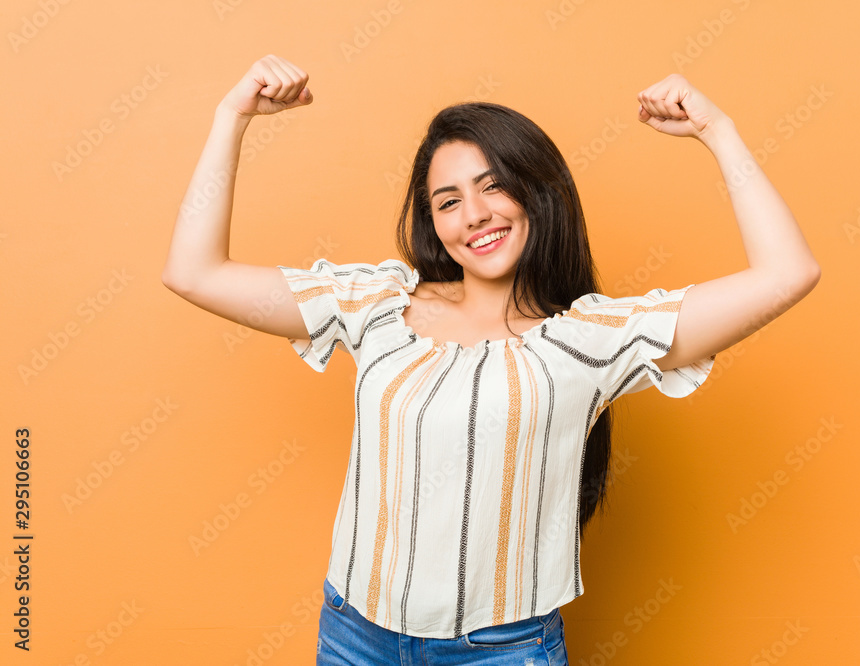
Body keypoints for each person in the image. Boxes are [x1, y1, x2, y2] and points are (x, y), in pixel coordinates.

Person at [162, 54, 820, 665]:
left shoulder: (591, 337)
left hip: (504, 651)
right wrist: (233, 117)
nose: (473, 215)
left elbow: (787, 273)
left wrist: (718, 130)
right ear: (433, 223)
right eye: (447, 201)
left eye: (493, 187)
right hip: (353, 636)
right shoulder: (376, 304)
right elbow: (194, 273)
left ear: (536, 191)